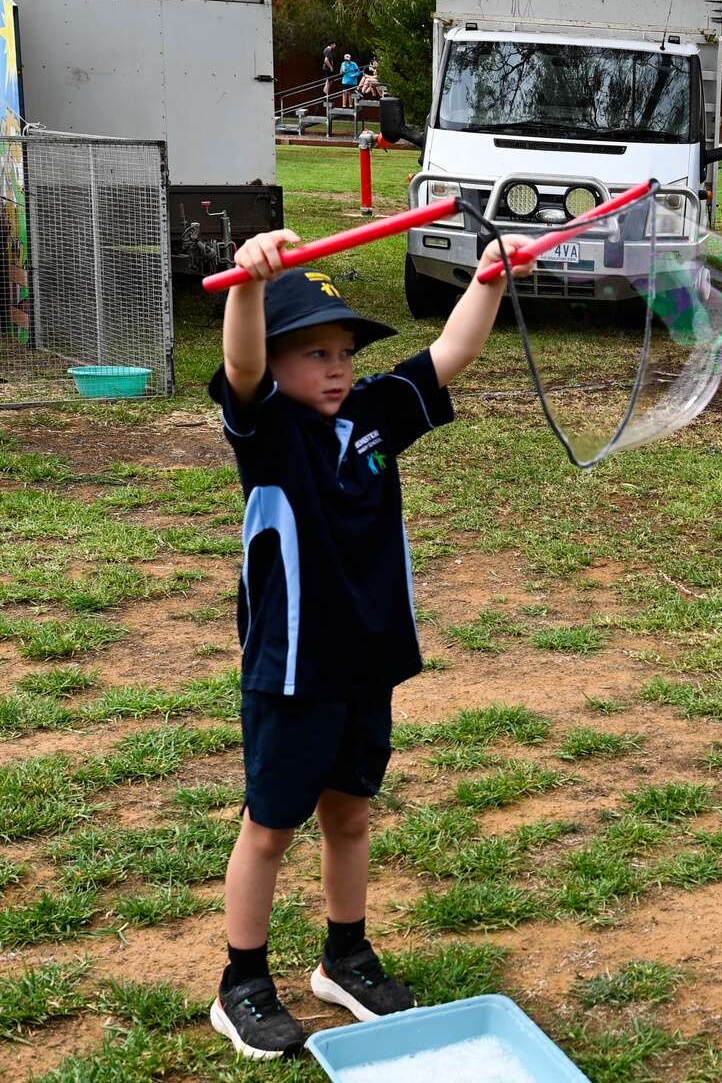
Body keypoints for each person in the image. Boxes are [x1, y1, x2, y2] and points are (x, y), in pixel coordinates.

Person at [208, 227, 538, 1059]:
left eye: (344, 350)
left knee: (350, 816)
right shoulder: (268, 429)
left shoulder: (373, 414)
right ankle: (241, 982)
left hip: (366, 658)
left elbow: (449, 353)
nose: (336, 366)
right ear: (279, 365)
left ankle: (343, 957)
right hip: (292, 669)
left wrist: (490, 281)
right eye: (313, 352)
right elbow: (242, 367)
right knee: (270, 827)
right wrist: (249, 284)